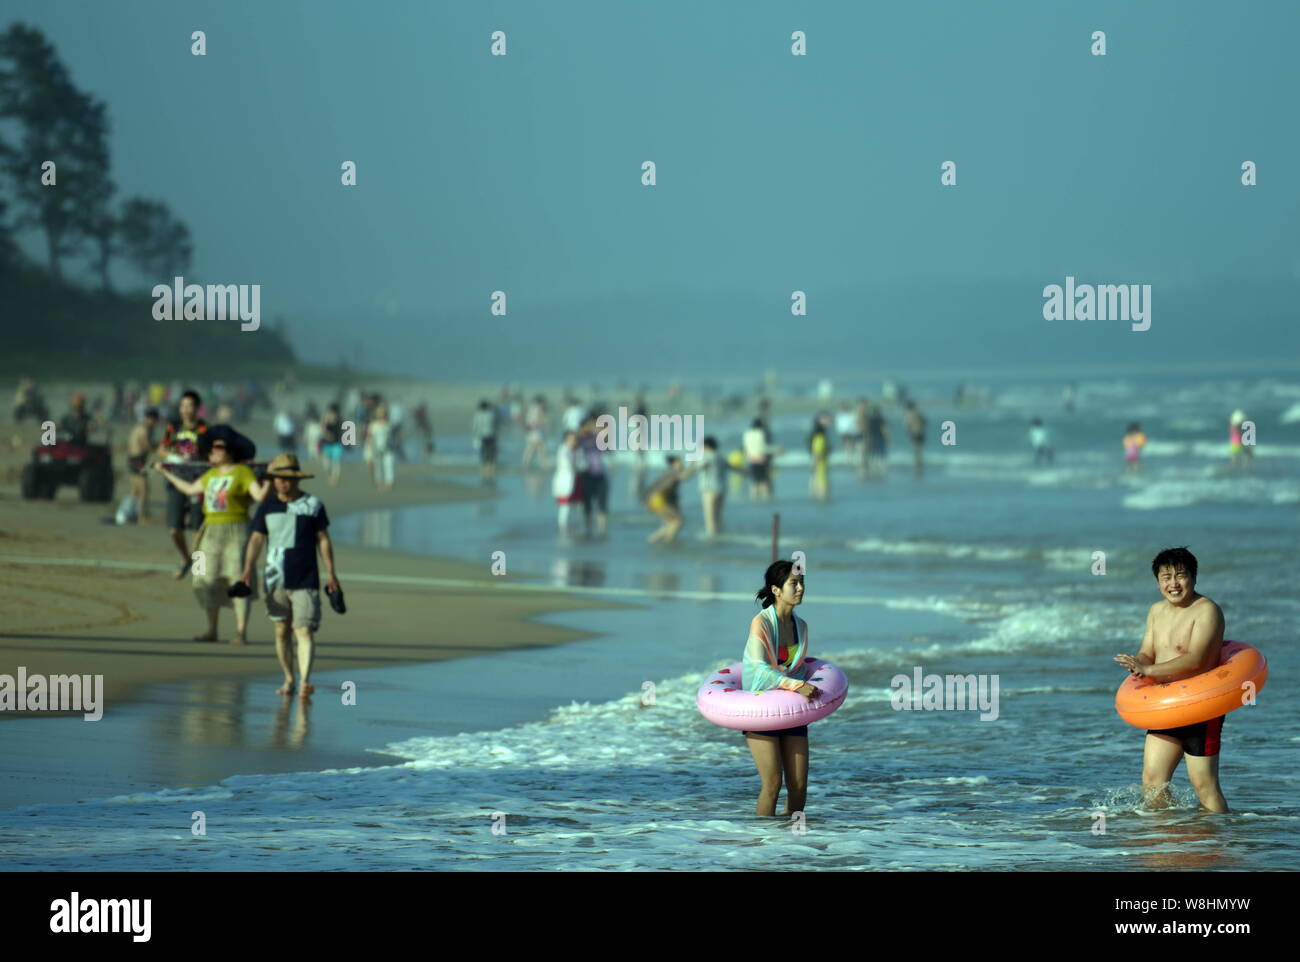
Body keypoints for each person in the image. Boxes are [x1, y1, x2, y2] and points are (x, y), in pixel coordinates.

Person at [1113, 547, 1228, 813]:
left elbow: (1195, 659)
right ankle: (1173, 839)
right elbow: (1147, 651)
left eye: (1180, 575)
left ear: (1193, 577)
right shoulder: (1156, 611)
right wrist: (1139, 663)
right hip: (1166, 706)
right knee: (1152, 784)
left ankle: (1221, 843)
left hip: (1201, 707)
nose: (1173, 584)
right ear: (1157, 581)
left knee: (1204, 786)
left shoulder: (1207, 610)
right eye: (1166, 577)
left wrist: (1150, 670)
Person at [155, 430, 269, 644]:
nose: (214, 452)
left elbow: (259, 496)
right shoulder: (210, 475)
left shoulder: (243, 472)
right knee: (205, 577)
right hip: (210, 532)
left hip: (237, 531)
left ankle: (240, 632)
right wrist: (165, 472)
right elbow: (189, 489)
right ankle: (212, 630)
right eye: (212, 448)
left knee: (238, 579)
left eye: (219, 448)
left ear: (230, 451)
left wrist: (271, 478)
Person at [239, 454, 338, 700]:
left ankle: (305, 680)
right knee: (281, 631)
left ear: (296, 479)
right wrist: (246, 570)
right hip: (275, 578)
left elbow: (323, 540)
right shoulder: (267, 507)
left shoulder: (313, 505)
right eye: (278, 479)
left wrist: (331, 573)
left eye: (286, 479)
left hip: (306, 577)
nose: (281, 483)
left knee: (304, 630)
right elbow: (256, 539)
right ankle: (289, 677)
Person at [742, 560, 820, 818]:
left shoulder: (802, 627)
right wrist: (797, 685)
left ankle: (789, 851)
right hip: (760, 710)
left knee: (798, 787)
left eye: (802, 583)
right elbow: (758, 667)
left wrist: (807, 685)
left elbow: (796, 668)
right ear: (776, 590)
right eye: (793, 583)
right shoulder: (761, 623)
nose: (800, 589)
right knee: (773, 785)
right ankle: (764, 845)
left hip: (790, 711)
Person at [157, 391, 209, 577]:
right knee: (174, 529)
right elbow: (162, 449)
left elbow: (212, 454)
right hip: (176, 481)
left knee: (198, 529)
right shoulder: (174, 428)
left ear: (197, 409)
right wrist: (173, 457)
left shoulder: (205, 430)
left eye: (190, 406)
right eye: (183, 406)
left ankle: (199, 569)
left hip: (198, 483)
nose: (186, 410)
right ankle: (185, 558)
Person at [645, 455, 697, 544]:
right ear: (675, 462)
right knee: (678, 521)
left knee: (671, 522)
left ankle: (657, 539)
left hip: (656, 500)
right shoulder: (674, 471)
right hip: (659, 500)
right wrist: (695, 466)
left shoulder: (668, 471)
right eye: (680, 461)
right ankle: (668, 541)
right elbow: (684, 476)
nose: (682, 463)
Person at [576, 415, 609, 537]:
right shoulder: (580, 439)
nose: (592, 428)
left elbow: (606, 446)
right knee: (587, 504)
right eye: (590, 425)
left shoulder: (598, 438)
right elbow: (573, 440)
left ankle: (602, 530)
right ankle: (588, 529)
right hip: (586, 474)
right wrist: (584, 431)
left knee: (602, 504)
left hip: (600, 474)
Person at [125, 407, 160, 522]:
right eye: (154, 420)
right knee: (144, 489)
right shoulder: (144, 429)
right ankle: (141, 516)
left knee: (135, 489)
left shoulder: (138, 427)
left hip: (132, 459)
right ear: (150, 418)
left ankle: (129, 513)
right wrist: (158, 448)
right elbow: (146, 446)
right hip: (137, 460)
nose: (155, 423)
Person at [551, 430, 583, 535]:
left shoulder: (578, 450)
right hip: (565, 480)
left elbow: (581, 464)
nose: (573, 442)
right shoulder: (563, 450)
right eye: (571, 439)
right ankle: (563, 528)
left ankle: (576, 526)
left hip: (576, 479)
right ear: (566, 440)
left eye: (575, 439)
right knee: (565, 506)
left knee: (578, 505)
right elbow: (566, 464)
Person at [696, 436, 726, 536]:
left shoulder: (707, 457)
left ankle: (713, 540)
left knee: (709, 519)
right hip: (721, 489)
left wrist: (685, 474)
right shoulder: (720, 456)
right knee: (718, 517)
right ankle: (720, 535)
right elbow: (732, 467)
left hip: (709, 490)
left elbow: (701, 467)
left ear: (706, 446)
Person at [742, 418, 772, 500]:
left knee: (754, 481)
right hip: (761, 459)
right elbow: (763, 448)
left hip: (751, 459)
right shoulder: (761, 433)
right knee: (764, 481)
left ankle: (754, 499)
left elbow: (745, 448)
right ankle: (766, 499)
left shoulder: (747, 434)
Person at [367, 404, 395, 490]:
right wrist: (371, 448)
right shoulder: (373, 425)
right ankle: (379, 483)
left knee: (388, 464)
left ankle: (389, 482)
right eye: (379, 413)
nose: (381, 415)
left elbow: (393, 436)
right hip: (377, 447)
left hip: (388, 447)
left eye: (383, 413)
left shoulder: (390, 424)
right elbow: (370, 437)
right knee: (378, 466)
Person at [471, 399, 499, 483]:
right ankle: (491, 465)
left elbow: (475, 425)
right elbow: (495, 424)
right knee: (491, 450)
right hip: (491, 434)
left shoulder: (477, 415)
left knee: (483, 450)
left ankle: (484, 465)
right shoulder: (491, 414)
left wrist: (475, 434)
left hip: (481, 435)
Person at [864, 400, 889, 479]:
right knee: (880, 452)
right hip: (879, 437)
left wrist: (867, 437)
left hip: (872, 437)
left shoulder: (869, 419)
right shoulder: (881, 419)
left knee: (872, 453)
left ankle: (873, 466)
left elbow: (867, 429)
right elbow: (884, 429)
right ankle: (881, 467)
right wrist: (887, 437)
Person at [521, 395, 548, 469]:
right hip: (537, 432)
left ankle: (525, 464)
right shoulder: (539, 409)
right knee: (541, 449)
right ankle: (544, 465)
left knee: (530, 449)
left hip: (530, 432)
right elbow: (540, 421)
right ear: (541, 402)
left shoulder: (530, 408)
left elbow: (526, 422)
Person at [320, 404, 343, 485]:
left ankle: (335, 478)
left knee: (336, 462)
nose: (333, 414)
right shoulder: (326, 420)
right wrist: (327, 435)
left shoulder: (340, 420)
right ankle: (330, 475)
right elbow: (323, 430)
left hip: (337, 444)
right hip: (327, 444)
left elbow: (344, 432)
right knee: (327, 464)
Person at [809, 416, 831, 501]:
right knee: (823, 484)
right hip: (821, 464)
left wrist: (814, 463)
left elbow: (817, 453)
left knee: (820, 483)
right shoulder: (820, 438)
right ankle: (823, 499)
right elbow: (819, 453)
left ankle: (823, 499)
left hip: (821, 464)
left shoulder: (817, 439)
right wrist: (815, 462)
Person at [904, 400, 926, 479]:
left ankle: (917, 463)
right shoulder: (918, 413)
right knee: (919, 448)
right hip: (921, 432)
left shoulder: (908, 414)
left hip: (914, 432)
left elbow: (906, 425)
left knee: (916, 448)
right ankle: (919, 463)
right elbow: (925, 422)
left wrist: (909, 431)